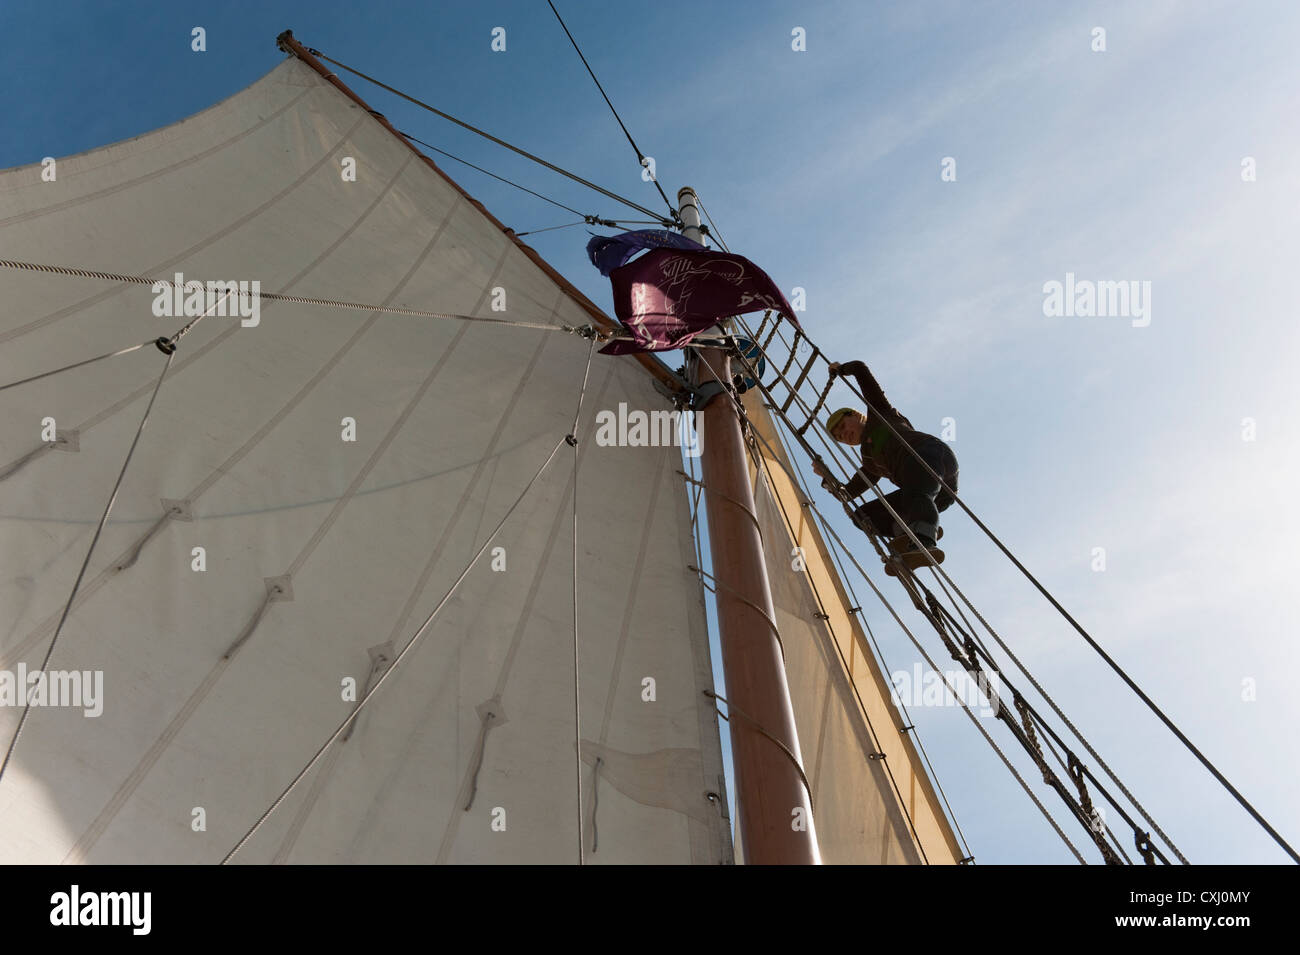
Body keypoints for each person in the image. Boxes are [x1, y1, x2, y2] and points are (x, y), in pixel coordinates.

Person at [811, 360, 958, 563]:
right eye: (839, 437)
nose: (845, 435)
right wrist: (826, 478)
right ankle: (906, 534)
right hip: (927, 493)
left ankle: (924, 539)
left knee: (916, 488)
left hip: (929, 456)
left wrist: (841, 369)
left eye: (844, 426)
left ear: (856, 415)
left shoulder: (879, 414)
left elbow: (861, 370)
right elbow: (849, 493)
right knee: (862, 516)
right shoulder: (870, 462)